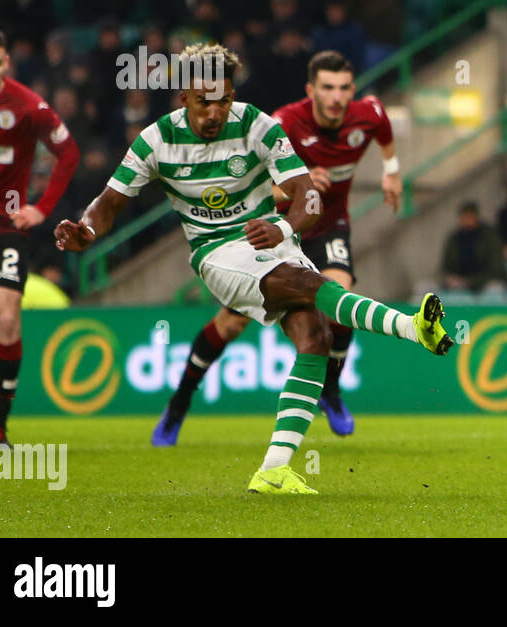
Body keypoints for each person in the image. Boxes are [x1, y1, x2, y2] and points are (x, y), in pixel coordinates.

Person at [55, 43, 451, 495]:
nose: (215, 112)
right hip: (216, 253)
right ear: (184, 97)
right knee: (303, 286)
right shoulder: (155, 140)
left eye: (223, 100)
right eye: (203, 101)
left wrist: (282, 226)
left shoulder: (257, 124)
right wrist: (86, 229)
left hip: (273, 240)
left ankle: (274, 470)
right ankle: (412, 327)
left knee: (316, 336)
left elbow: (309, 197)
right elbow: (108, 204)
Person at [154, 50, 402, 446]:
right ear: (311, 91)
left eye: (342, 89)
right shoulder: (283, 122)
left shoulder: (368, 114)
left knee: (341, 301)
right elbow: (249, 185)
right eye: (327, 88)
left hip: (329, 228)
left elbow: (384, 128)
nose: (336, 97)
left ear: (352, 90)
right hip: (277, 233)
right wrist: (292, 186)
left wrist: (392, 172)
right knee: (229, 325)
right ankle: (179, 404)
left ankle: (331, 393)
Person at [0, 26, 80, 447]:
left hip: (3, 227)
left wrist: (41, 208)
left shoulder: (29, 106)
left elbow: (68, 153)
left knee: (7, 319)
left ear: (7, 63)